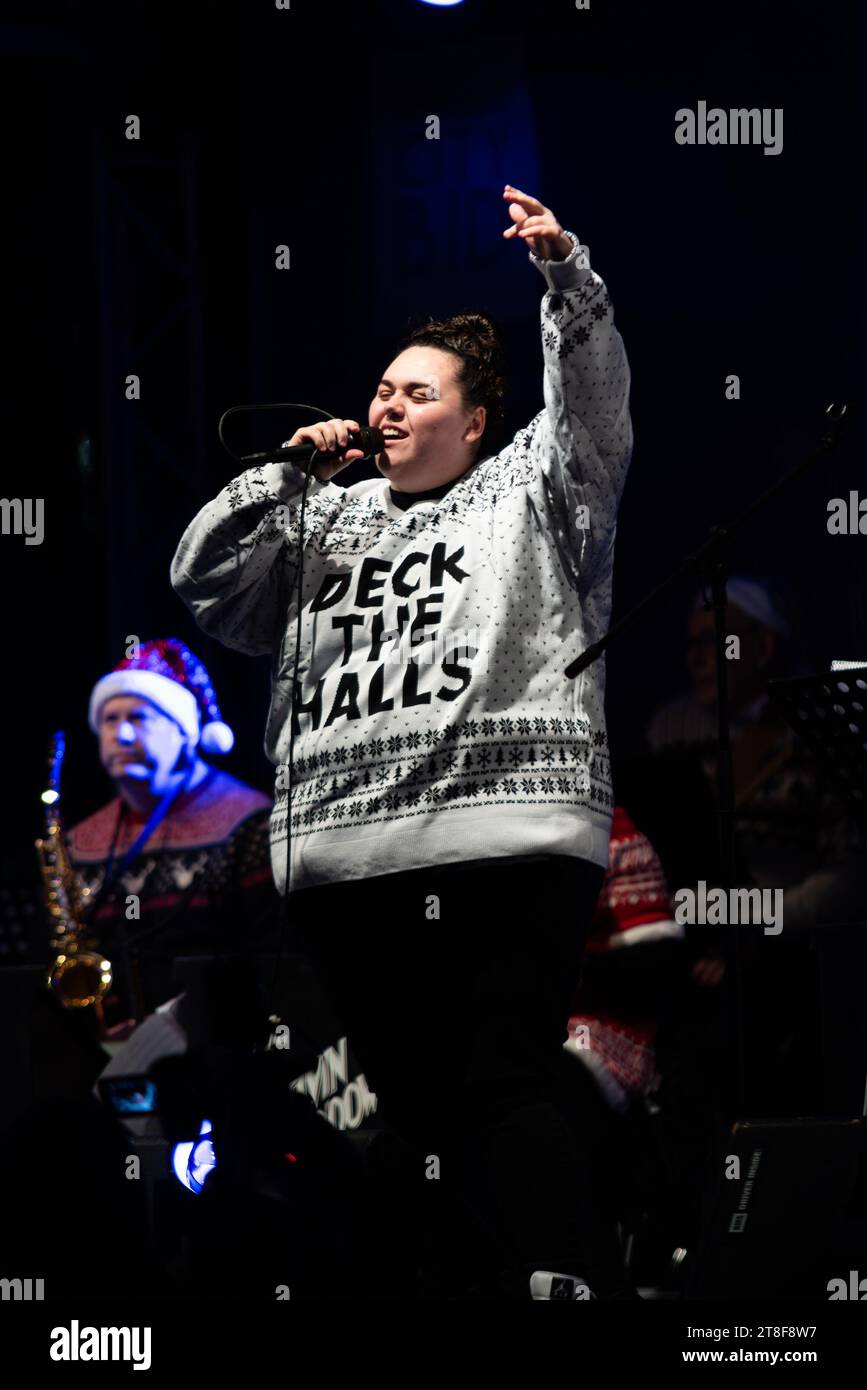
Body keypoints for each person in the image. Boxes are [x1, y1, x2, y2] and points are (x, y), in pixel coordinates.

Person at [171, 185, 634, 1299]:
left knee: (503, 1080)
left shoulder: (529, 488)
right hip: (351, 861)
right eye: (378, 390)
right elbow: (202, 582)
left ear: (474, 423)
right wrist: (289, 469)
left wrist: (566, 275)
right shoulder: (323, 515)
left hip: (502, 844)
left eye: (414, 394)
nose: (384, 407)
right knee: (409, 1109)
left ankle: (555, 1277)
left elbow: (595, 414)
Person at [65, 638, 278, 1040]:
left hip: (223, 1047)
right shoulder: (78, 841)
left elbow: (271, 962)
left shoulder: (251, 823)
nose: (122, 735)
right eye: (110, 720)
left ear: (184, 732)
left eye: (140, 717)